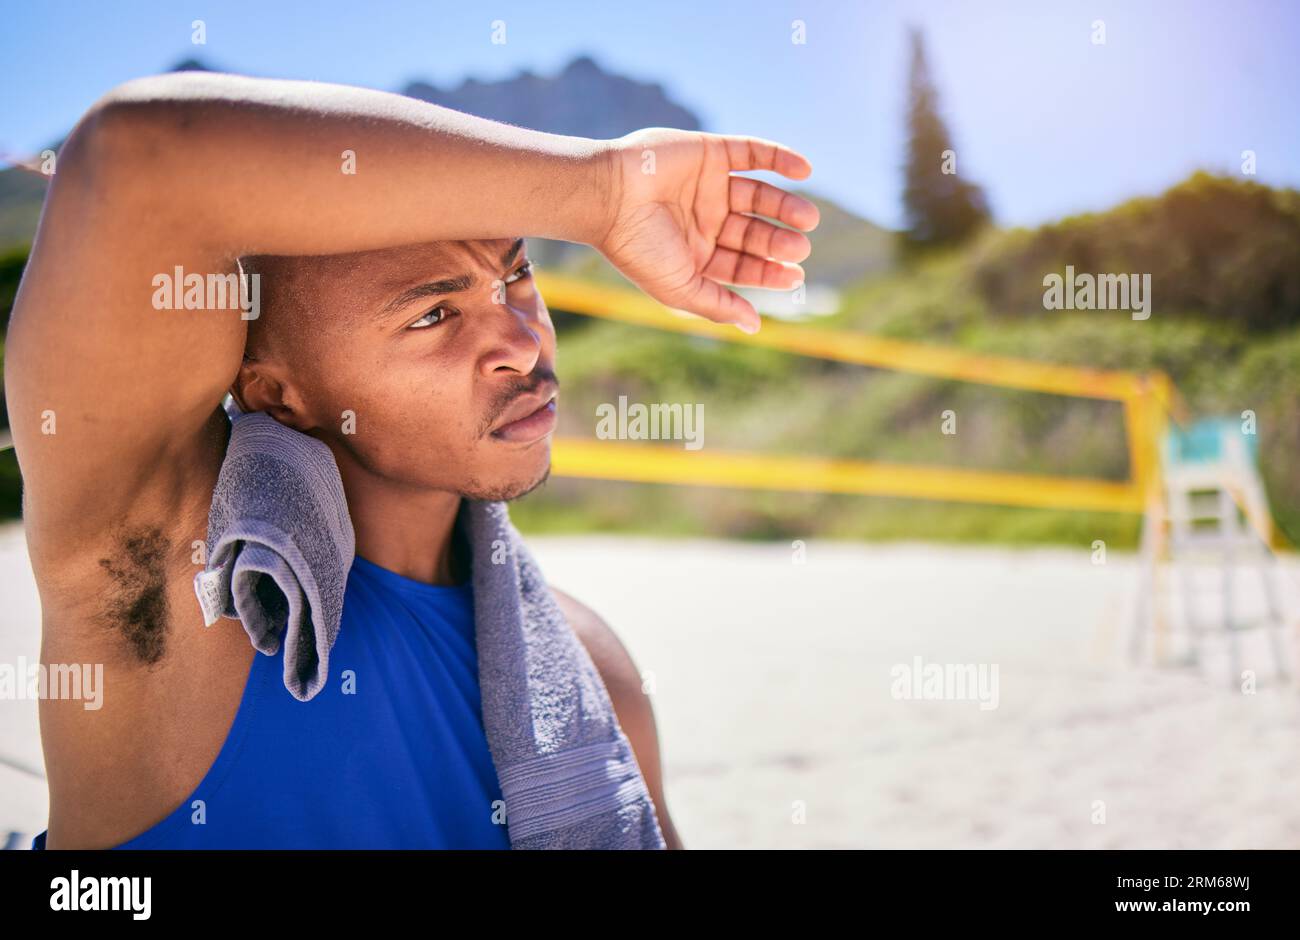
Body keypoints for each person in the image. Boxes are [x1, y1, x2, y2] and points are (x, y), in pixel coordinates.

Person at [5, 70, 818, 849]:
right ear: (278, 393)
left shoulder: (590, 664)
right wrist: (601, 192)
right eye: (433, 314)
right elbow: (139, 153)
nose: (521, 342)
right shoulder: (176, 586)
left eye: (518, 275)